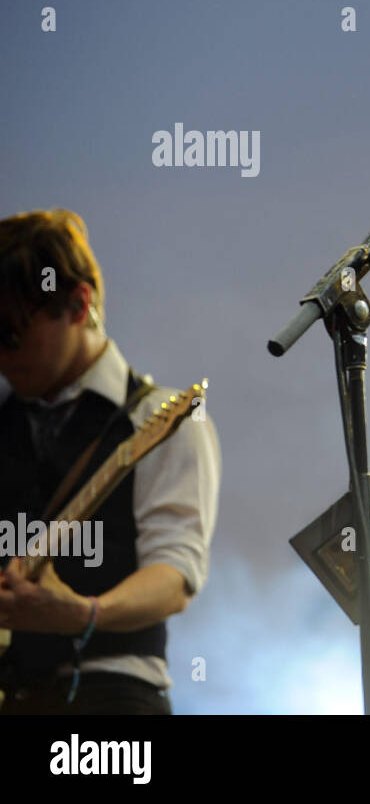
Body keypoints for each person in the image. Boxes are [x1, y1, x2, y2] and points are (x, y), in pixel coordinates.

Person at [0, 209, 220, 714]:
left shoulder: (157, 419)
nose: (2, 354)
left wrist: (84, 614)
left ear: (79, 304)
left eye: (12, 333)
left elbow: (174, 575)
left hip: (112, 698)